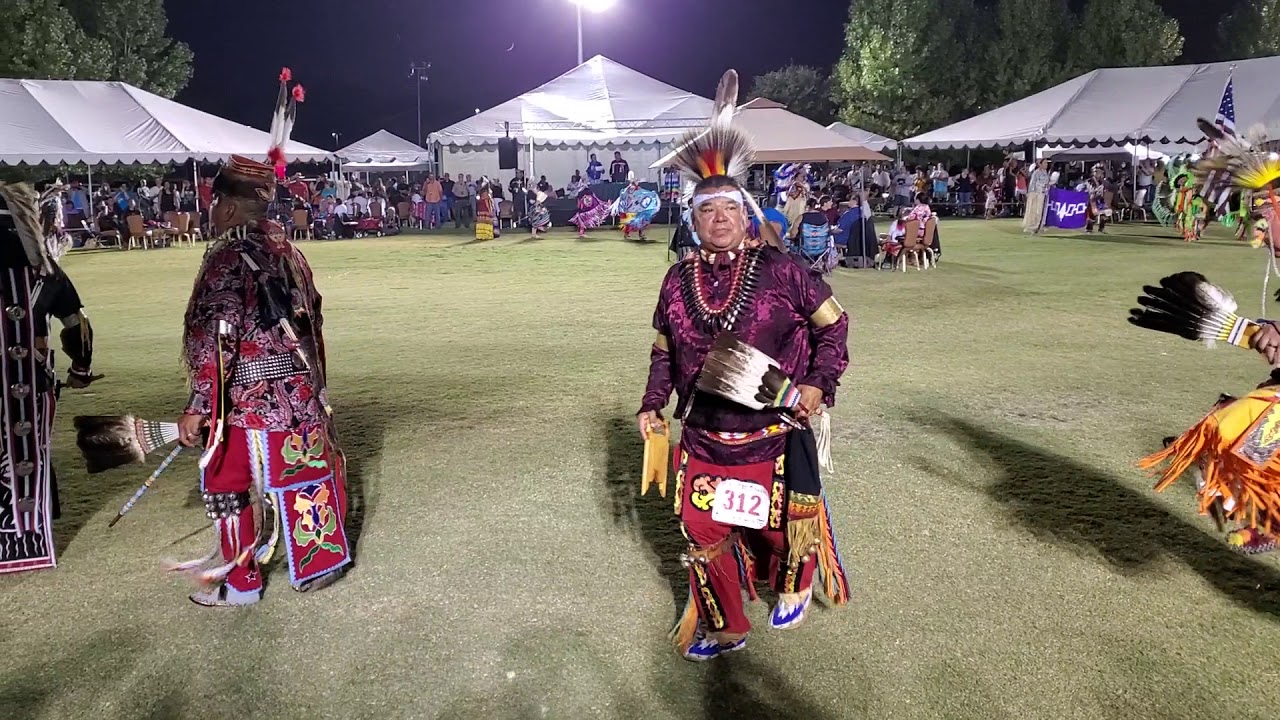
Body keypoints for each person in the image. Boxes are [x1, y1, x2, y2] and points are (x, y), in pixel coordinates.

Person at [638, 69, 850, 662]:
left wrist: (815, 384)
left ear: (745, 212)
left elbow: (834, 325)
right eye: (709, 210)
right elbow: (664, 350)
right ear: (694, 218)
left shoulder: (785, 273)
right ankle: (728, 626)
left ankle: (795, 580)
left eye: (730, 207)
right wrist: (652, 406)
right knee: (704, 535)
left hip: (772, 432)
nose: (720, 218)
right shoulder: (677, 280)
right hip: (704, 433)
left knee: (777, 525)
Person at [174, 68, 350, 607]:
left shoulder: (229, 257)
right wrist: (314, 388)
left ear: (227, 205)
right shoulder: (287, 251)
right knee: (304, 477)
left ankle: (241, 581)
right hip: (297, 394)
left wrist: (199, 404)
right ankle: (319, 564)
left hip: (245, 398)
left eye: (214, 202)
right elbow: (312, 322)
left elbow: (214, 336)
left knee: (224, 482)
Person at [0, 183, 99, 574]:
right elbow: (77, 323)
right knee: (31, 446)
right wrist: (80, 370)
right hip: (30, 376)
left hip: (27, 374)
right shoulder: (45, 271)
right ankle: (36, 518)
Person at [612, 174, 661, 241]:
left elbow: (643, 193)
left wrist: (652, 194)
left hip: (638, 208)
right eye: (637, 181)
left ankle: (640, 234)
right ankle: (626, 234)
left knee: (640, 221)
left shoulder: (638, 189)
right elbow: (625, 195)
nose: (638, 182)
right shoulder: (628, 189)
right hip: (630, 209)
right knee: (629, 222)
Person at [1024, 160, 1051, 234]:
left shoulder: (1046, 173)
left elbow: (1047, 182)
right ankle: (1034, 226)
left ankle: (1041, 225)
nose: (1046, 165)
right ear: (1040, 164)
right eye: (1045, 163)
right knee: (1036, 210)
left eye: (1047, 163)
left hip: (1044, 194)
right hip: (1037, 194)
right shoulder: (1036, 172)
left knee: (1042, 210)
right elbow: (1033, 183)